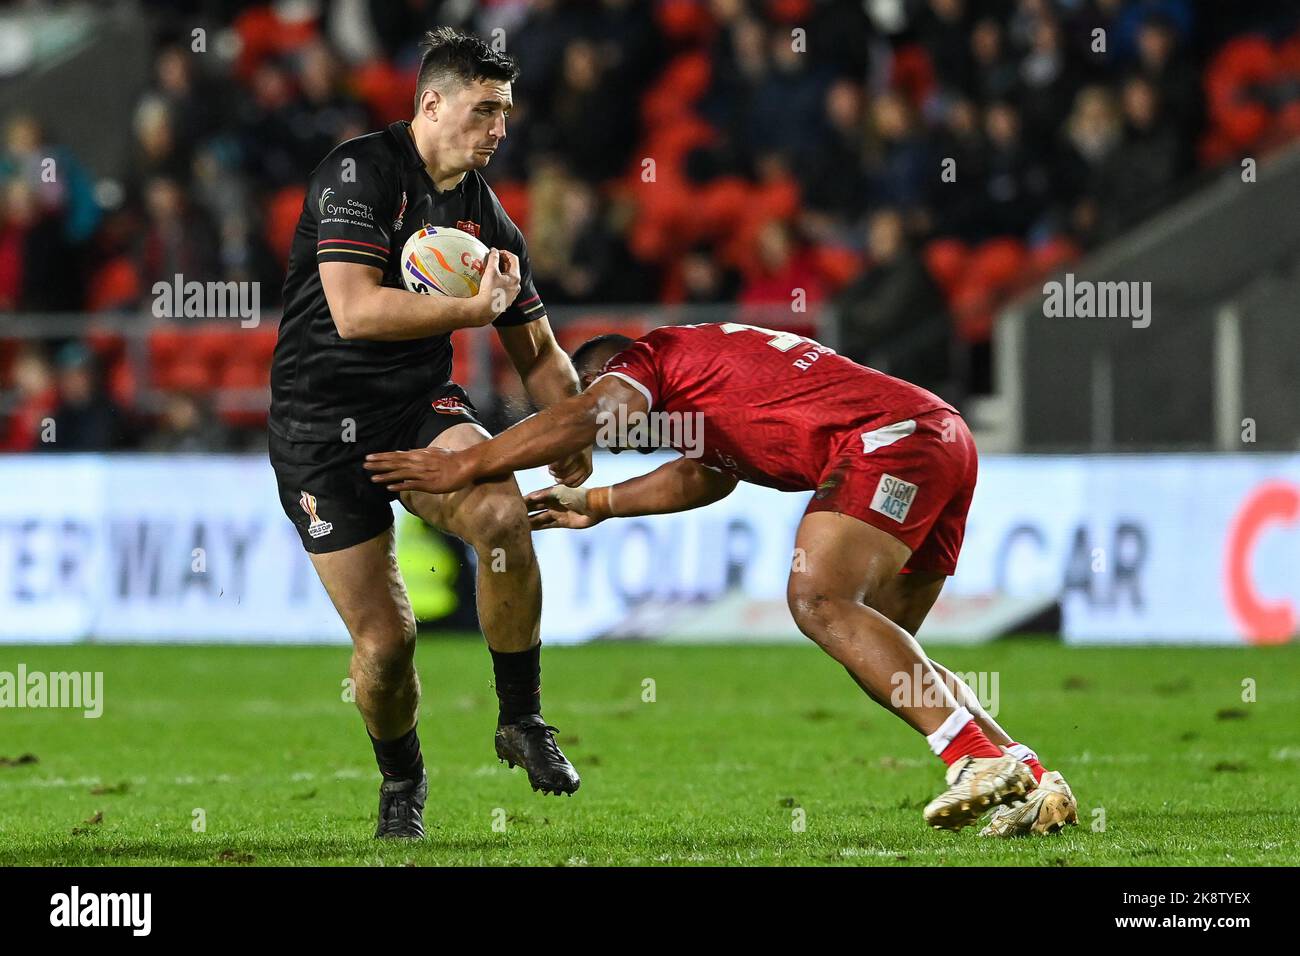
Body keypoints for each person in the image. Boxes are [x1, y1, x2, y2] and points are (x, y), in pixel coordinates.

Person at [364, 323, 1078, 836]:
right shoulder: (706, 378)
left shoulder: (650, 360)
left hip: (888, 443)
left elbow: (594, 410)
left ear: (613, 373)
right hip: (939, 440)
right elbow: (703, 476)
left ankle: (972, 759)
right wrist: (598, 503)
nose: (614, 436)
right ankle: (1028, 775)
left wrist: (465, 465)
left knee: (819, 600)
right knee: (882, 645)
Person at [268, 27, 587, 840]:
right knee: (386, 646)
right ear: (432, 104)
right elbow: (355, 310)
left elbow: (541, 354)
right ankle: (402, 779)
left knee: (502, 516)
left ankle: (522, 717)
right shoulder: (357, 173)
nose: (499, 129)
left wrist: (573, 427)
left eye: (506, 112)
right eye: (484, 110)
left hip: (418, 409)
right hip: (318, 431)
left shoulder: (488, 224)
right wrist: (472, 311)